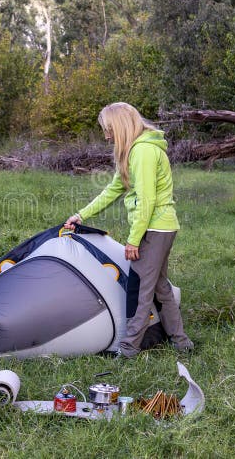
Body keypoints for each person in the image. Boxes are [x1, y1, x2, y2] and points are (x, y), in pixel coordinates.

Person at [63, 102, 193, 357]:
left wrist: (133, 241)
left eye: (108, 129)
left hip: (155, 228)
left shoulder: (143, 152)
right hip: (158, 227)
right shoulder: (133, 151)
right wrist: (81, 215)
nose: (106, 135)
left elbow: (147, 200)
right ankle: (182, 343)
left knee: (141, 288)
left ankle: (129, 347)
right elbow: (113, 189)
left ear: (120, 126)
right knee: (159, 287)